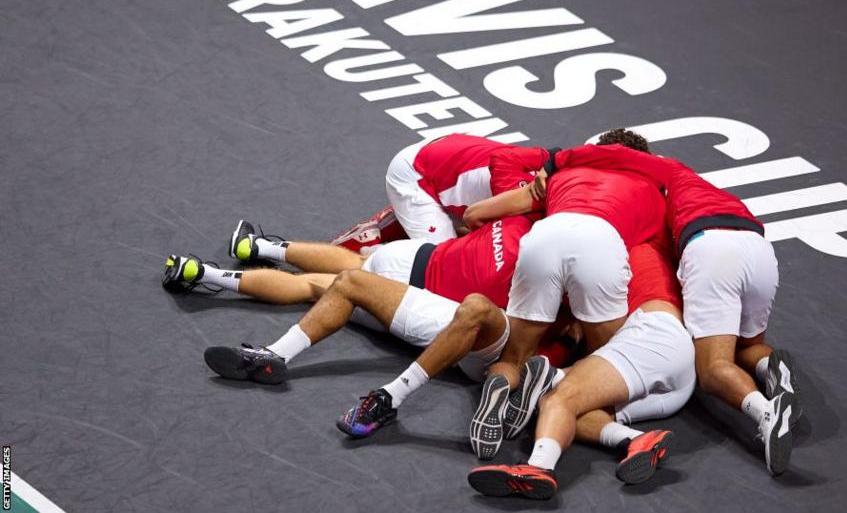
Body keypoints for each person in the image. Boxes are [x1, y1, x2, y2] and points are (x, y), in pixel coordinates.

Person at [536, 128, 801, 476]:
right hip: (758, 249)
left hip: (706, 253)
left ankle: (765, 411)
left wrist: (555, 160)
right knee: (747, 347)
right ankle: (770, 371)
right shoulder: (684, 188)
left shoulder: (652, 189)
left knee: (714, 369)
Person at [161, 216, 533, 439]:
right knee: (342, 282)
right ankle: (269, 349)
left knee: (332, 279)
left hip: (421, 287)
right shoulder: (555, 260)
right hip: (428, 308)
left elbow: (471, 216)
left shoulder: (521, 217)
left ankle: (224, 263)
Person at [460, 134, 668, 460]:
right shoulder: (655, 194)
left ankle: (501, 388)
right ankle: (552, 392)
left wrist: (480, 240)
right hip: (601, 244)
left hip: (545, 238)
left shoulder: (561, 176)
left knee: (514, 356)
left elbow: (474, 213)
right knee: (604, 359)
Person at [468, 236, 696, 499]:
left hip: (652, 336)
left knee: (560, 397)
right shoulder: (670, 259)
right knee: (573, 407)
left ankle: (538, 466)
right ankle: (635, 440)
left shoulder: (630, 250)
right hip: (681, 377)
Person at [384, 134, 538, 244]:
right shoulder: (519, 199)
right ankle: (368, 255)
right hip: (415, 173)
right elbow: (473, 217)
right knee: (441, 263)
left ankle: (404, 216)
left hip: (449, 150)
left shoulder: (554, 173)